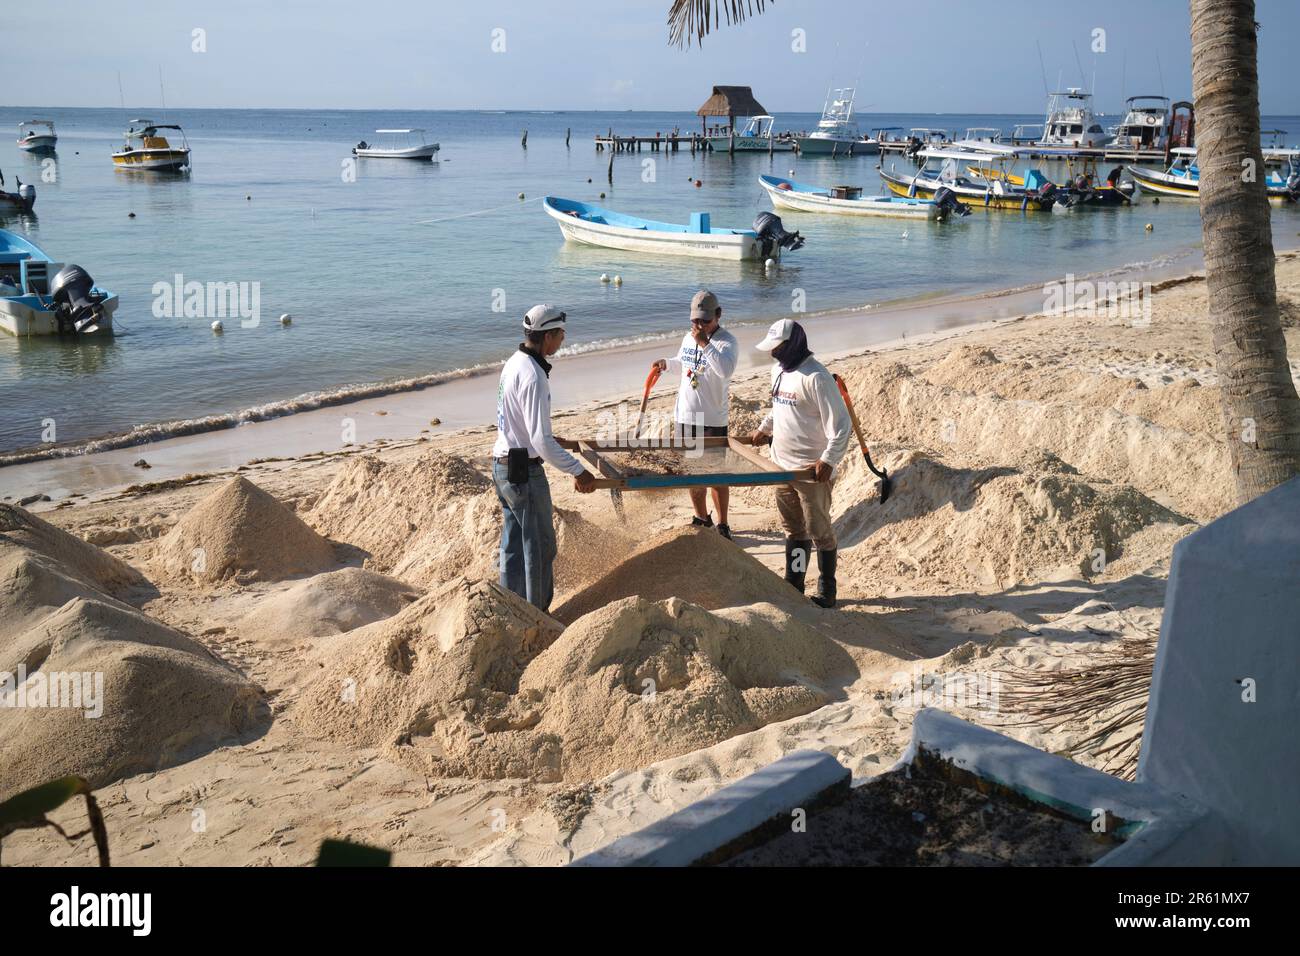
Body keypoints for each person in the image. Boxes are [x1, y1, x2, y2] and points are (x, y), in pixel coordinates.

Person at [492, 304, 596, 612]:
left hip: (503, 463)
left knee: (514, 545)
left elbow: (519, 422)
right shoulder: (534, 375)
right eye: (561, 334)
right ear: (548, 335)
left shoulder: (514, 362)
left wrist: (550, 441)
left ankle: (511, 608)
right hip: (523, 470)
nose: (563, 340)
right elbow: (539, 439)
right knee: (539, 547)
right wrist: (578, 471)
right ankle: (537, 616)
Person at [750, 319, 851, 608]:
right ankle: (795, 581)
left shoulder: (816, 377)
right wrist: (765, 427)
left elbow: (841, 425)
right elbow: (778, 408)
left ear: (792, 344)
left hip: (809, 470)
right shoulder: (777, 371)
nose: (772, 353)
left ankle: (826, 589)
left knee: (819, 530)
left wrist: (828, 460)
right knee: (793, 529)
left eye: (777, 347)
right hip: (781, 465)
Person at [652, 290, 739, 538]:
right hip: (686, 417)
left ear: (718, 315)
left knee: (716, 474)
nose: (699, 325)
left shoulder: (727, 342)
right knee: (693, 473)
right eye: (694, 321)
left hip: (712, 419)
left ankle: (723, 523)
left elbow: (724, 370)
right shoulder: (688, 338)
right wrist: (666, 364)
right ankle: (702, 518)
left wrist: (704, 342)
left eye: (705, 320)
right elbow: (684, 362)